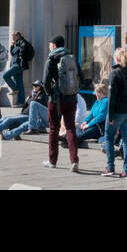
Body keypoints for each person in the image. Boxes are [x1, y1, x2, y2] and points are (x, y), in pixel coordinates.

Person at [43, 35, 80, 172]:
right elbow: (80, 76)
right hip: (71, 98)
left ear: (54, 45)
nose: (49, 47)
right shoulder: (72, 57)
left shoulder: (51, 59)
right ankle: (74, 160)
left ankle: (52, 161)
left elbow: (45, 82)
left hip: (56, 99)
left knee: (53, 129)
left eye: (50, 45)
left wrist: (50, 94)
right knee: (70, 129)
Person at [103, 48, 127, 178]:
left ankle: (110, 167)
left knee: (109, 137)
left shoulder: (115, 73)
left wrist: (110, 115)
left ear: (117, 58)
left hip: (117, 112)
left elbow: (111, 97)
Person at [3, 30, 33, 101]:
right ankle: (21, 101)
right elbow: (13, 54)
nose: (13, 38)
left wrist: (20, 55)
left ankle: (15, 89)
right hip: (16, 64)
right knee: (19, 82)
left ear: (17, 36)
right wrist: (12, 46)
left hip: (18, 65)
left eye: (14, 37)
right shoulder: (16, 43)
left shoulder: (21, 41)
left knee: (5, 75)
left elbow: (23, 47)